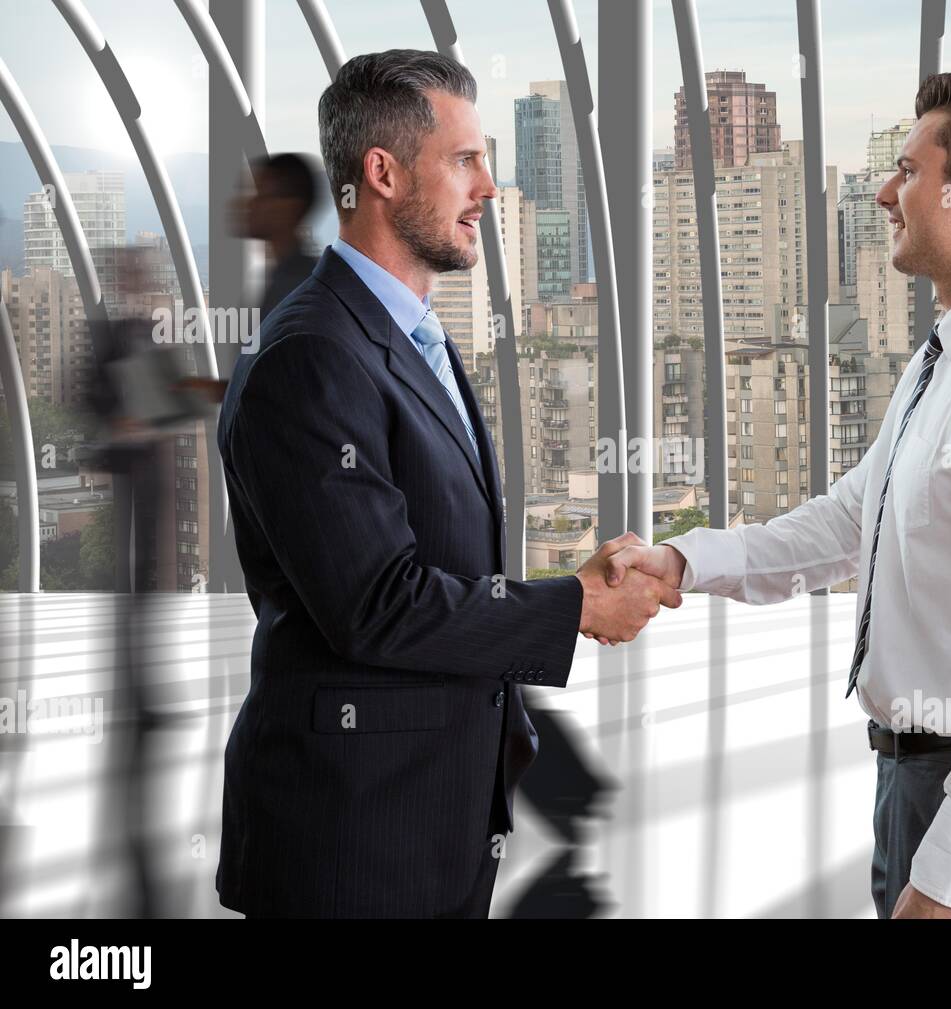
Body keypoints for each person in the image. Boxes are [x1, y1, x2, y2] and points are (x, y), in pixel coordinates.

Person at [604, 73, 951, 919]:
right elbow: (856, 518)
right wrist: (681, 560)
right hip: (913, 778)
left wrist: (949, 876)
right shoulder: (946, 358)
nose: (886, 192)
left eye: (910, 171)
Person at [215, 49, 679, 918]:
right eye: (466, 160)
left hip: (435, 823)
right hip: (352, 847)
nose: (491, 187)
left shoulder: (406, 334)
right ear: (382, 173)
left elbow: (438, 549)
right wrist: (573, 604)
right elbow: (376, 604)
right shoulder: (313, 355)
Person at [228, 152, 324, 315]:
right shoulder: (285, 278)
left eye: (262, 195)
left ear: (290, 207)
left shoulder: (296, 287)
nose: (249, 203)